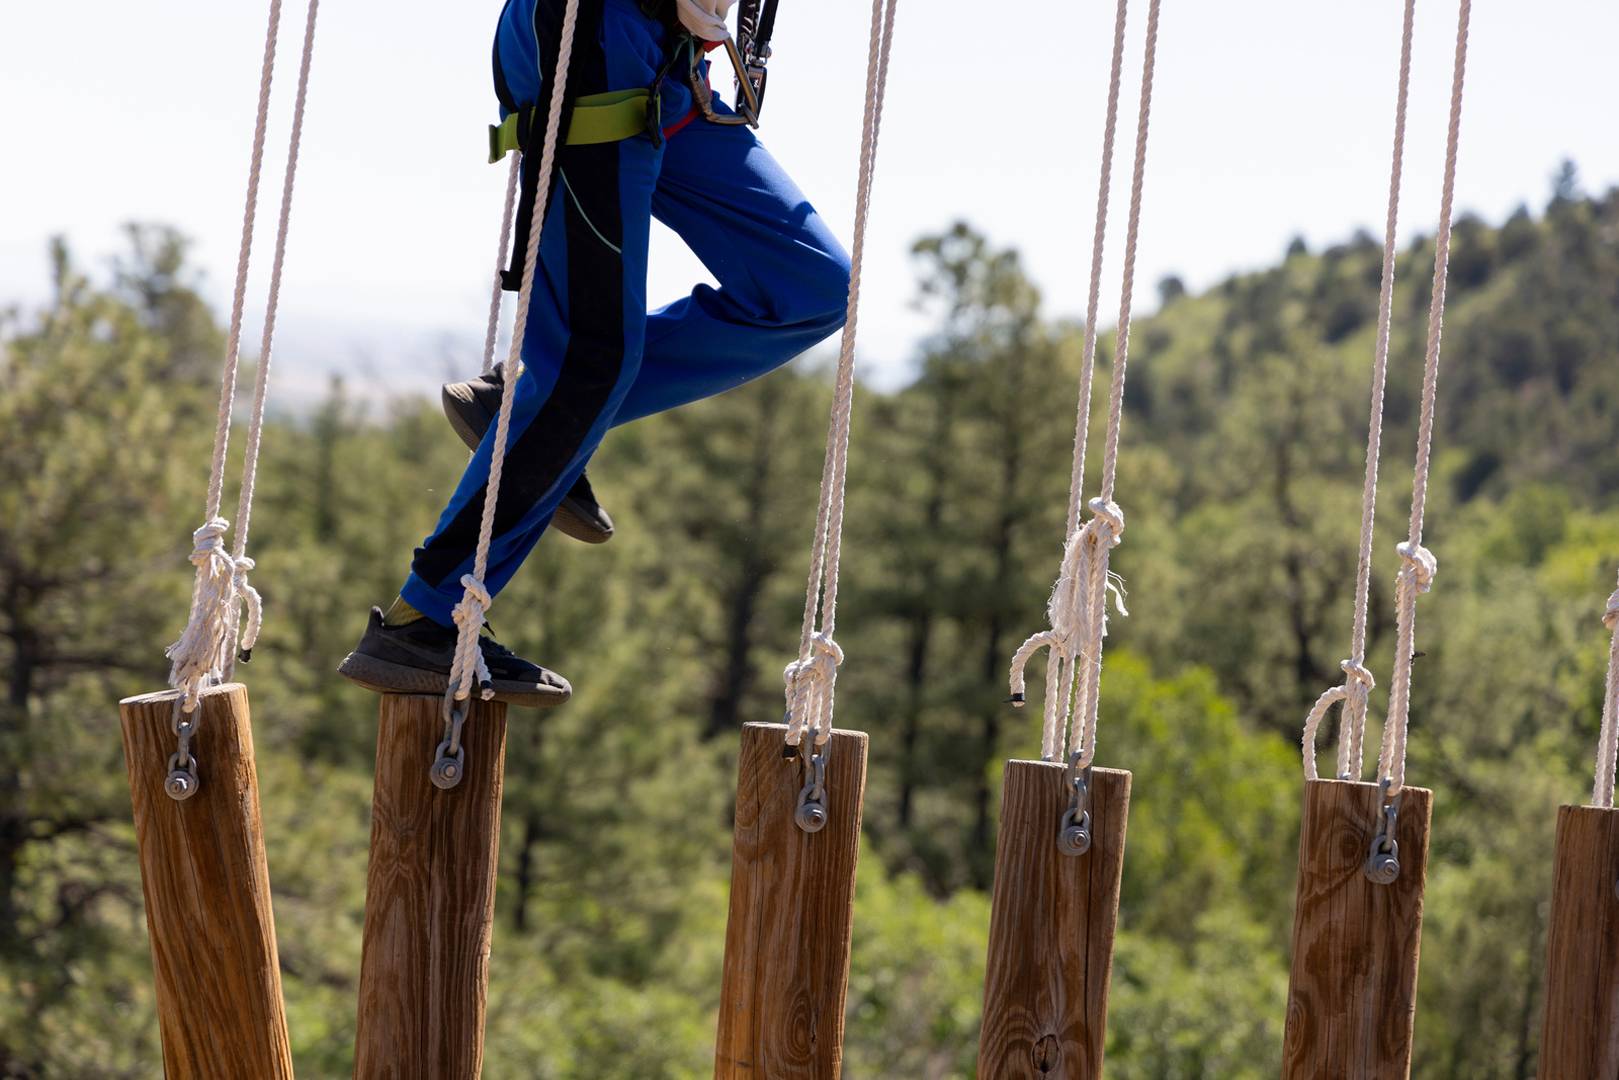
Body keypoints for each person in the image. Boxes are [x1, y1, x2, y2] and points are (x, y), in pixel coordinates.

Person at [337, 0, 851, 706]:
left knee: (812, 288)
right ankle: (422, 618)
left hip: (675, 59)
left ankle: (526, 408)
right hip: (595, 30)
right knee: (589, 361)